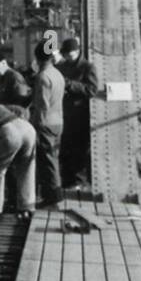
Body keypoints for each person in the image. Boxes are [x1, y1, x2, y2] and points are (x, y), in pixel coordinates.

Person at [56, 37, 98, 191]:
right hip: (65, 114)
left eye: (69, 54)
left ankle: (79, 182)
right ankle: (67, 182)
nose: (67, 57)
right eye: (65, 55)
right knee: (66, 148)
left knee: (79, 149)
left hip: (80, 115)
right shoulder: (64, 66)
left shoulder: (88, 67)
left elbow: (91, 90)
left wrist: (70, 84)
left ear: (77, 52)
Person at [28, 41, 65, 207]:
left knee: (48, 161)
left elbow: (42, 106)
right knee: (53, 158)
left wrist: (35, 127)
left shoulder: (43, 77)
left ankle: (54, 198)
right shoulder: (57, 74)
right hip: (58, 122)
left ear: (37, 58)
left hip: (46, 124)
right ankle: (52, 195)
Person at [0, 48, 30, 117]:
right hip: (8, 116)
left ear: (4, 63)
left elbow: (23, 104)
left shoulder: (15, 77)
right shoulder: (3, 77)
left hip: (17, 118)